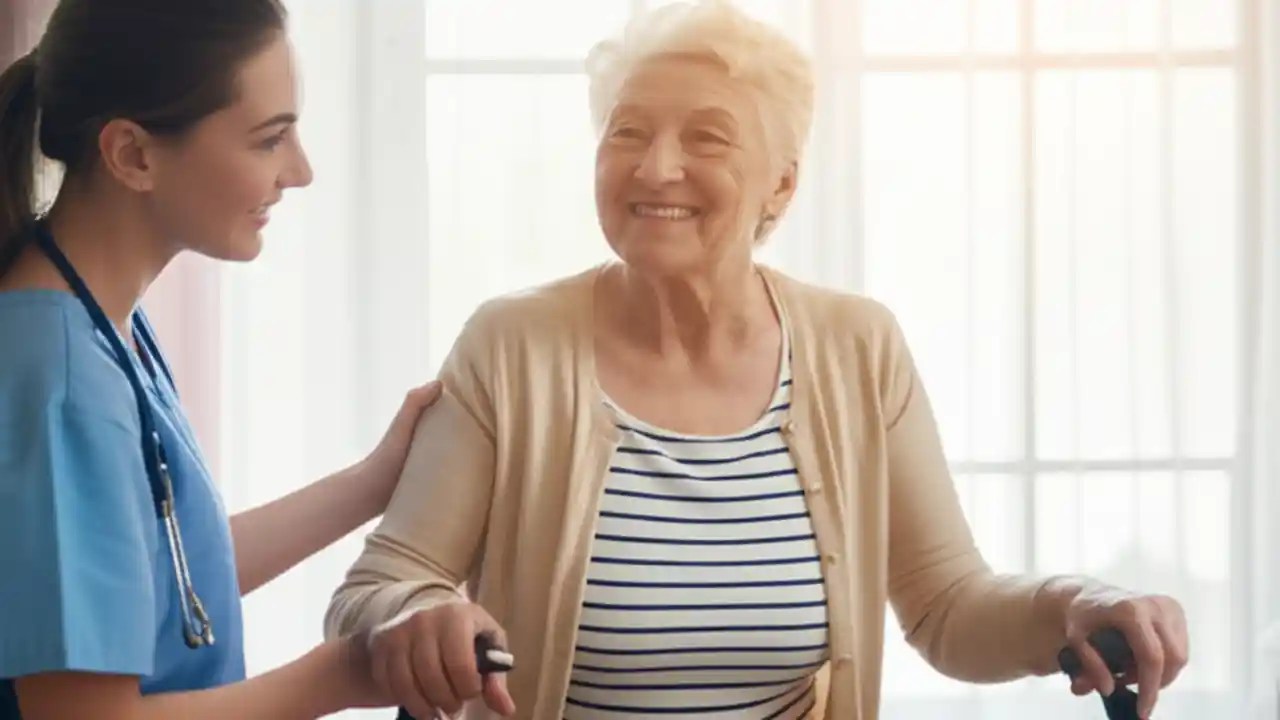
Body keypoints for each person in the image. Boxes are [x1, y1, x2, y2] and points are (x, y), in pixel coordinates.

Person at [324, 2, 1191, 719]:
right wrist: (419, 613)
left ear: (781, 183)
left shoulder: (858, 348)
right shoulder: (512, 346)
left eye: (707, 139)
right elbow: (381, 584)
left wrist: (1076, 603)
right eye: (628, 130)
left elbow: (946, 606)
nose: (656, 167)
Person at [0, 1, 436, 717]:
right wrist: (347, 672)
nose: (300, 172)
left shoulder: (102, 322)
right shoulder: (60, 377)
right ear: (133, 155)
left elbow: (176, 578)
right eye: (270, 141)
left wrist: (374, 483)